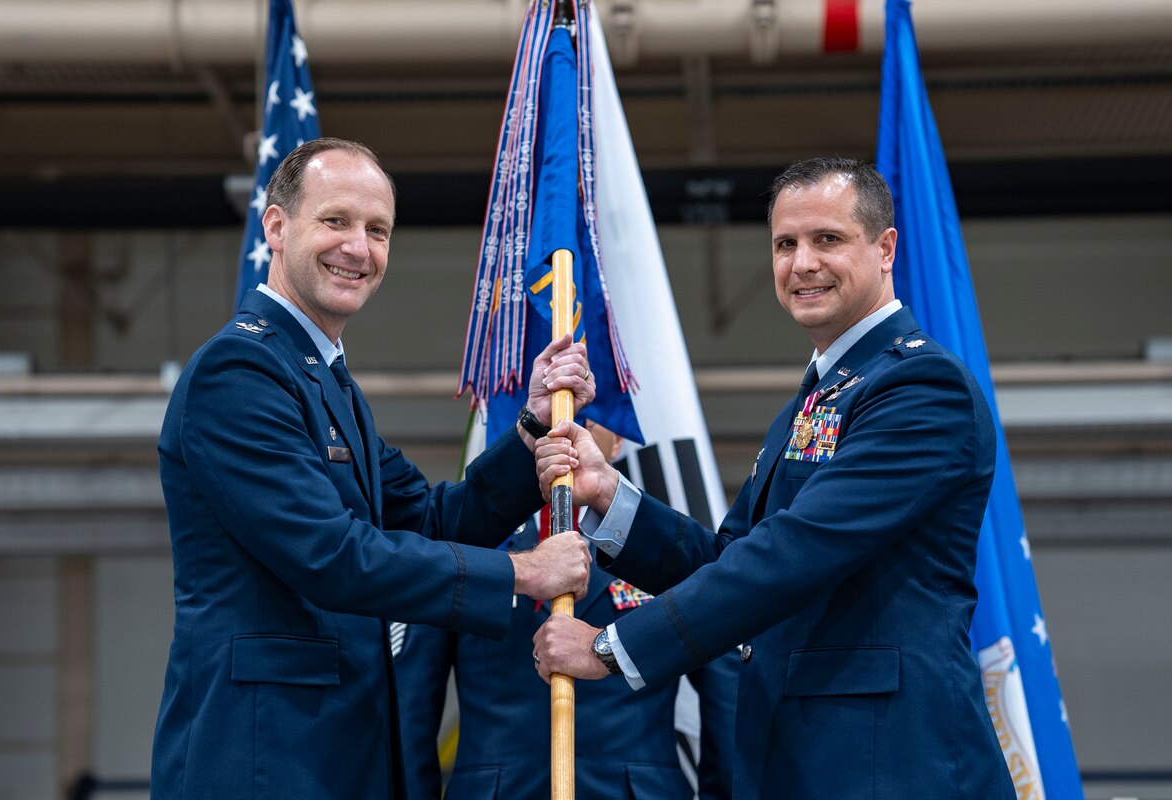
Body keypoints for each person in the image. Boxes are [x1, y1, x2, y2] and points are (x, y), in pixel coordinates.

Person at [531, 157, 1016, 799]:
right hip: (803, 763)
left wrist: (611, 648)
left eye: (828, 239)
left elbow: (793, 553)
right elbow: (729, 559)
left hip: (891, 766)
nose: (802, 263)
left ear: (885, 249)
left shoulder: (922, 387)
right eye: (786, 244)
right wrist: (609, 494)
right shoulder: (813, 401)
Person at [151, 137, 595, 800]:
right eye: (336, 221)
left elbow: (429, 519)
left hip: (331, 755)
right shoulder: (238, 372)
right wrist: (523, 572)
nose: (358, 248)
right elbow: (330, 555)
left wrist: (530, 429)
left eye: (377, 230)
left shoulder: (322, 377)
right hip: (263, 760)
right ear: (276, 227)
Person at [395, 421, 739, 800]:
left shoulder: (662, 545)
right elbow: (413, 703)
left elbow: (725, 682)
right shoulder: (468, 539)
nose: (570, 421)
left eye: (589, 414)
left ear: (617, 440)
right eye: (555, 415)